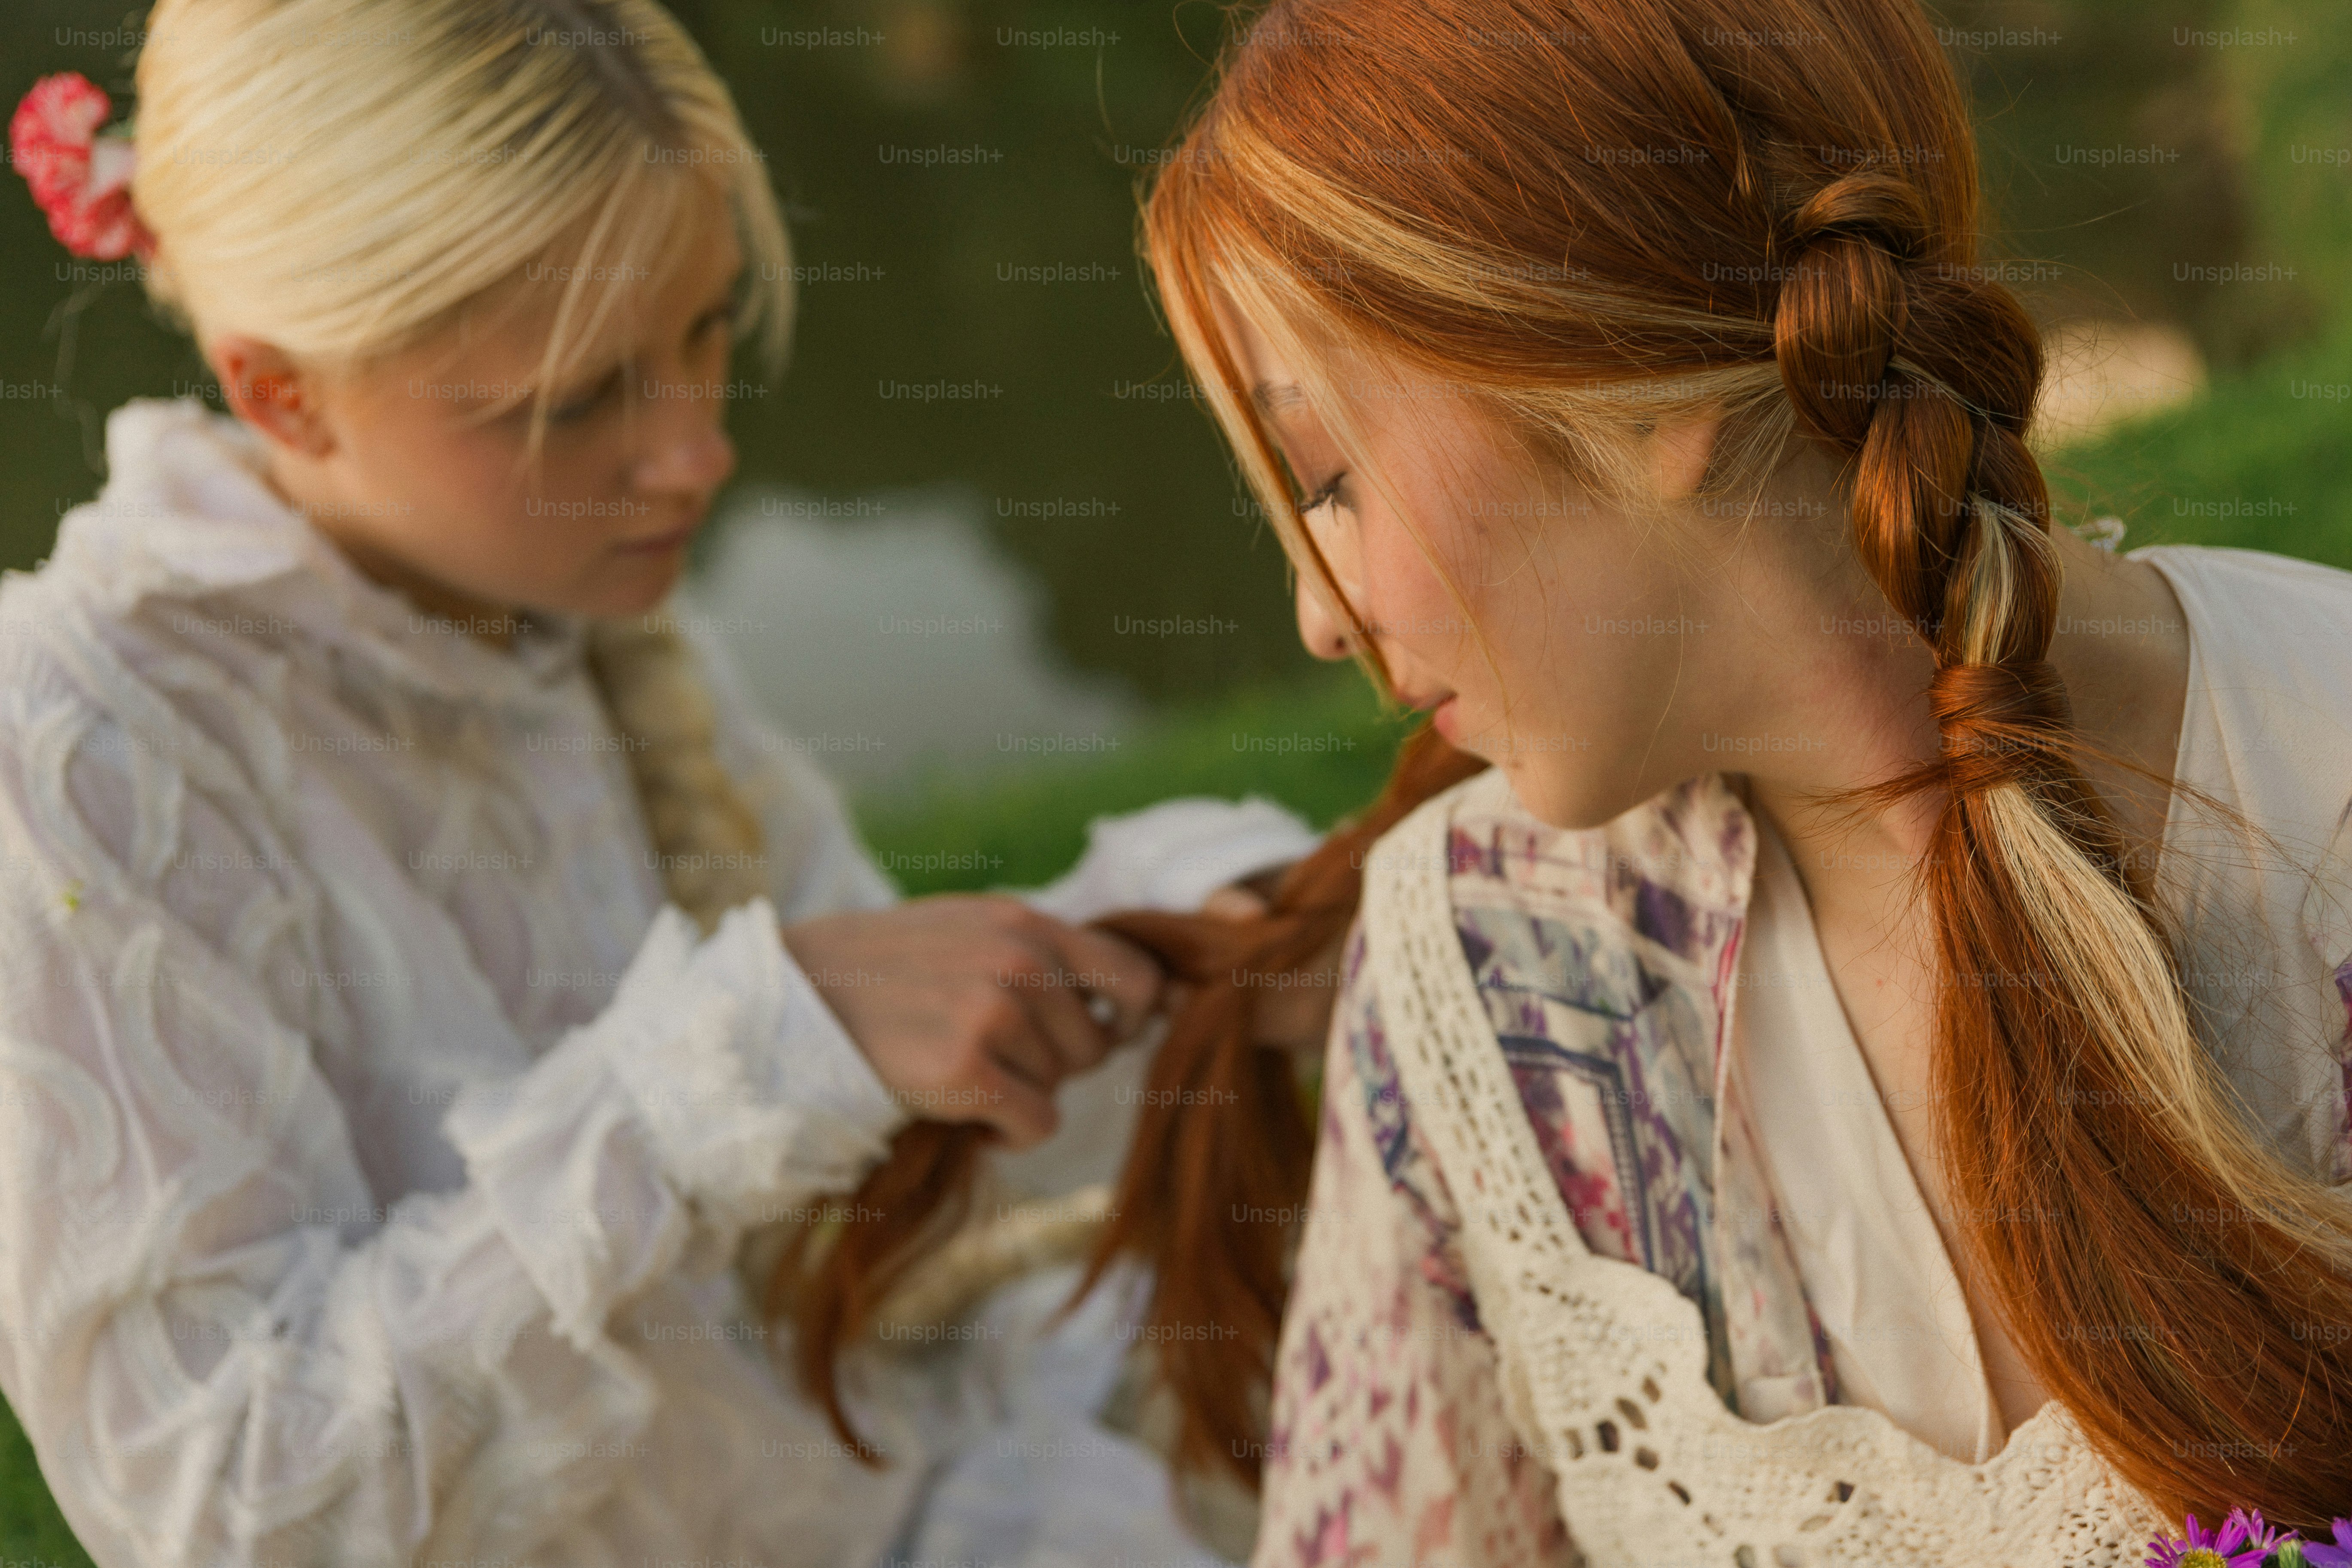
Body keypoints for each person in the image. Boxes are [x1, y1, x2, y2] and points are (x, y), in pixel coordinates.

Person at [0, 3, 1323, 1565]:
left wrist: (1160, 968)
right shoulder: (80, 754)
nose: (696, 454)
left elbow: (877, 1177)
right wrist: (727, 1076)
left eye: (703, 333)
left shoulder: (559, 595)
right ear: (285, 391)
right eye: (579, 401)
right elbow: (235, 1498)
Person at [1097, 0, 2352, 1561]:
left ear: (1639, 391)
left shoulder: (2330, 774)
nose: (1314, 609)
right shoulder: (1485, 965)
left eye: (1331, 481)